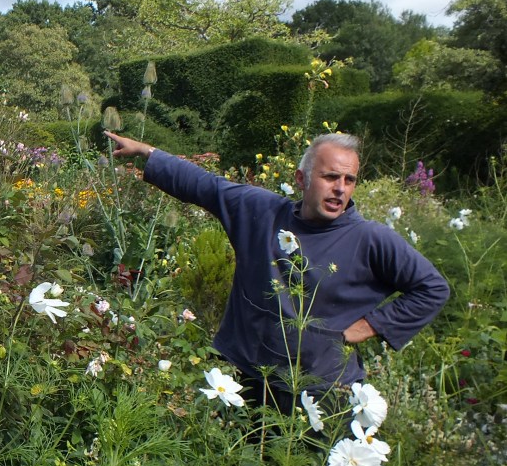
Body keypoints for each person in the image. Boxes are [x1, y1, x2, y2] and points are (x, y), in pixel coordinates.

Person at [107, 130, 450, 410]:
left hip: (318, 392)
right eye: (330, 177)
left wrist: (372, 324)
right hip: (243, 375)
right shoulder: (262, 212)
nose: (341, 188)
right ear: (302, 178)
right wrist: (147, 152)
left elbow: (433, 288)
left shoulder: (370, 238)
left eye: (349, 179)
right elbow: (207, 186)